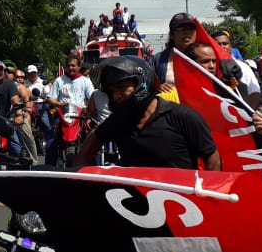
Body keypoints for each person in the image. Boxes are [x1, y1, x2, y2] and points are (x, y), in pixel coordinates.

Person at [73, 56, 220, 171]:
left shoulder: (183, 116)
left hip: (181, 205)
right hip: (133, 206)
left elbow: (212, 161)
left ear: (143, 83)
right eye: (112, 91)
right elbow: (87, 150)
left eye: (122, 87)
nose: (116, 96)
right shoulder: (118, 121)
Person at [45, 56, 95, 165]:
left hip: (80, 115)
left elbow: (92, 97)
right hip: (62, 115)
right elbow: (50, 98)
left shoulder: (85, 81)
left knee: (93, 138)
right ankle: (49, 168)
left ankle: (94, 166)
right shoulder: (59, 80)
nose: (71, 68)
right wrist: (59, 104)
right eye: (68, 66)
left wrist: (87, 110)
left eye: (73, 65)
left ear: (79, 66)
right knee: (50, 140)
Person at [210, 30, 261, 109]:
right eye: (217, 44)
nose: (222, 47)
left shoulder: (244, 67)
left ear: (231, 46)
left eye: (225, 44)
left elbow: (255, 93)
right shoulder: (207, 67)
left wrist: (249, 114)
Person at [150, 13, 200, 88]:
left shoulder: (206, 56)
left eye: (190, 28)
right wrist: (157, 88)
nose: (186, 32)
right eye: (180, 29)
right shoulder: (158, 60)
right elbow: (146, 85)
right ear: (172, 35)